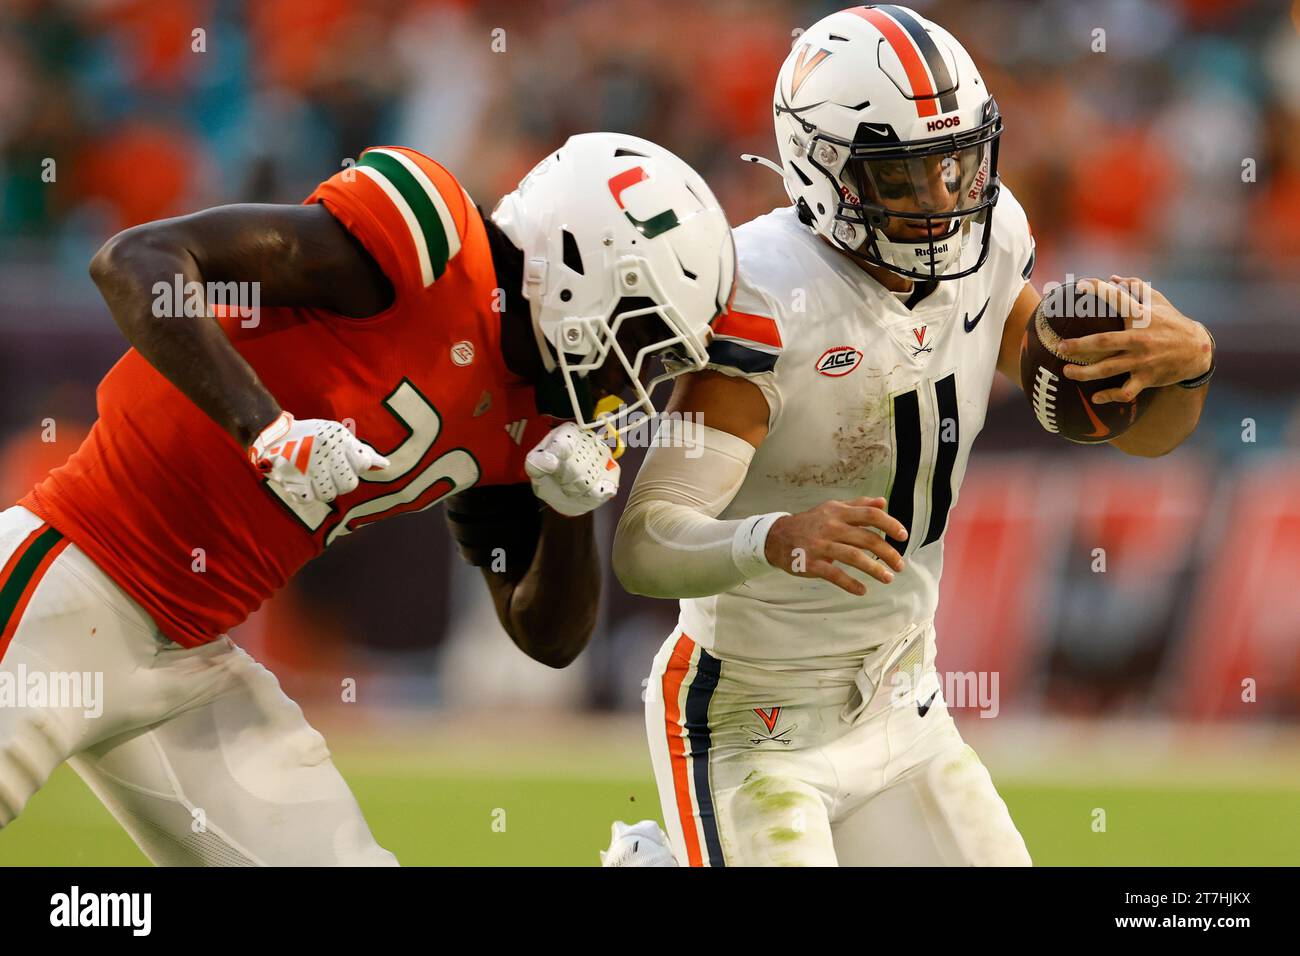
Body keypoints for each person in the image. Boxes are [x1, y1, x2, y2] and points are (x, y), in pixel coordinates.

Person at [0, 132, 736, 865]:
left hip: (189, 660)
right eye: (644, 335)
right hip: (71, 579)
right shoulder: (433, 248)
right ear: (583, 265)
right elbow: (135, 261)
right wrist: (265, 429)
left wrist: (575, 511)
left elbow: (547, 637)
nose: (641, 376)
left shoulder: (543, 414)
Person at [609, 6, 1214, 867]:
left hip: (904, 699)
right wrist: (773, 537)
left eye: (955, 165)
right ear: (824, 173)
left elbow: (1117, 428)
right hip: (750, 718)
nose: (940, 200)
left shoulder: (992, 241)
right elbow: (646, 542)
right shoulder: (765, 298)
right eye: (902, 178)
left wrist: (1185, 365)